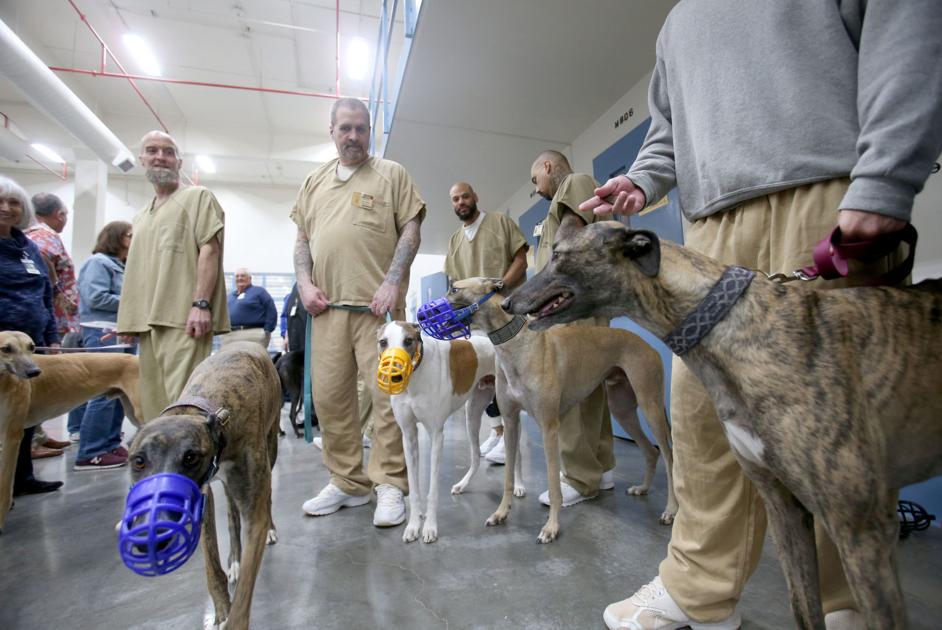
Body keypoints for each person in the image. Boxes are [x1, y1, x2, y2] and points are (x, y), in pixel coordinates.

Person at [579, 3, 942, 629]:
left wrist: (885, 179)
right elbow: (668, 128)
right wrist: (641, 179)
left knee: (834, 432)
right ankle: (699, 589)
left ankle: (841, 599)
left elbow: (904, 31)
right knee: (700, 418)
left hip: (827, 196)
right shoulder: (677, 21)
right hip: (710, 225)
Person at [292, 97, 425, 527]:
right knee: (331, 400)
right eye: (345, 128)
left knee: (389, 399)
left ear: (371, 132)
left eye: (361, 128)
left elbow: (411, 228)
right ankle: (348, 483)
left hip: (378, 311)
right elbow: (302, 241)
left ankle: (389, 484)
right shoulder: (313, 182)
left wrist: (392, 282)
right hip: (326, 310)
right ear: (331, 130)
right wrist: (304, 284)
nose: (353, 136)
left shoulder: (391, 174)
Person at [116, 130, 230, 421]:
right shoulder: (142, 216)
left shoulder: (196, 197)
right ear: (142, 160)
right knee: (153, 408)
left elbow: (210, 250)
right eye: (152, 151)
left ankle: (186, 468)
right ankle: (161, 467)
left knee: (183, 406)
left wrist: (201, 304)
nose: (160, 157)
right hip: (148, 324)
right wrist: (129, 319)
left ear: (179, 162)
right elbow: (139, 270)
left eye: (167, 152)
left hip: (184, 320)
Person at [529, 149, 615, 507]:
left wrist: (539, 295)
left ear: (548, 166)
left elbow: (567, 239)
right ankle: (601, 467)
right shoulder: (558, 204)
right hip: (578, 305)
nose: (536, 189)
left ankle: (580, 478)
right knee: (591, 391)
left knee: (568, 394)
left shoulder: (575, 182)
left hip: (569, 307)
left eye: (535, 180)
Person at [444, 181, 528, 464]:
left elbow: (521, 259)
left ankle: (510, 437)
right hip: (475, 324)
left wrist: (502, 285)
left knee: (507, 376)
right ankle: (498, 431)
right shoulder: (455, 240)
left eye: (465, 196)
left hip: (505, 317)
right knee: (482, 379)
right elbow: (455, 283)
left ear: (475, 197)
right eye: (455, 199)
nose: (461, 202)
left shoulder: (499, 223)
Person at [0, 175, 63, 495]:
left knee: (23, 415)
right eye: (1, 202)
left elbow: (46, 294)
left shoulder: (28, 249)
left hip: (30, 342)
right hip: (4, 348)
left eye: (13, 203)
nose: (7, 208)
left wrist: (52, 337)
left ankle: (21, 478)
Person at [73, 221, 135, 470]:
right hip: (101, 332)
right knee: (103, 391)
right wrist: (133, 301)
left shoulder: (119, 266)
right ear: (116, 238)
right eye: (130, 236)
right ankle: (91, 451)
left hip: (119, 332)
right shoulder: (98, 263)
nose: (134, 240)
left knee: (118, 391)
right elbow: (95, 297)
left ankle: (109, 444)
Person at [25, 192, 77, 456]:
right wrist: (57, 289)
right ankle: (32, 441)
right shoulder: (43, 236)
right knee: (32, 383)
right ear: (59, 215)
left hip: (47, 319)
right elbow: (42, 266)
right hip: (42, 319)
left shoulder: (33, 235)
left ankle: (38, 434)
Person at [222, 267, 277, 348]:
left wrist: (267, 330)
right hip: (231, 336)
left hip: (253, 335)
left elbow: (271, 310)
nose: (239, 278)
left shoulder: (259, 291)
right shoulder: (230, 296)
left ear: (250, 278)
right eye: (237, 276)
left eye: (243, 276)